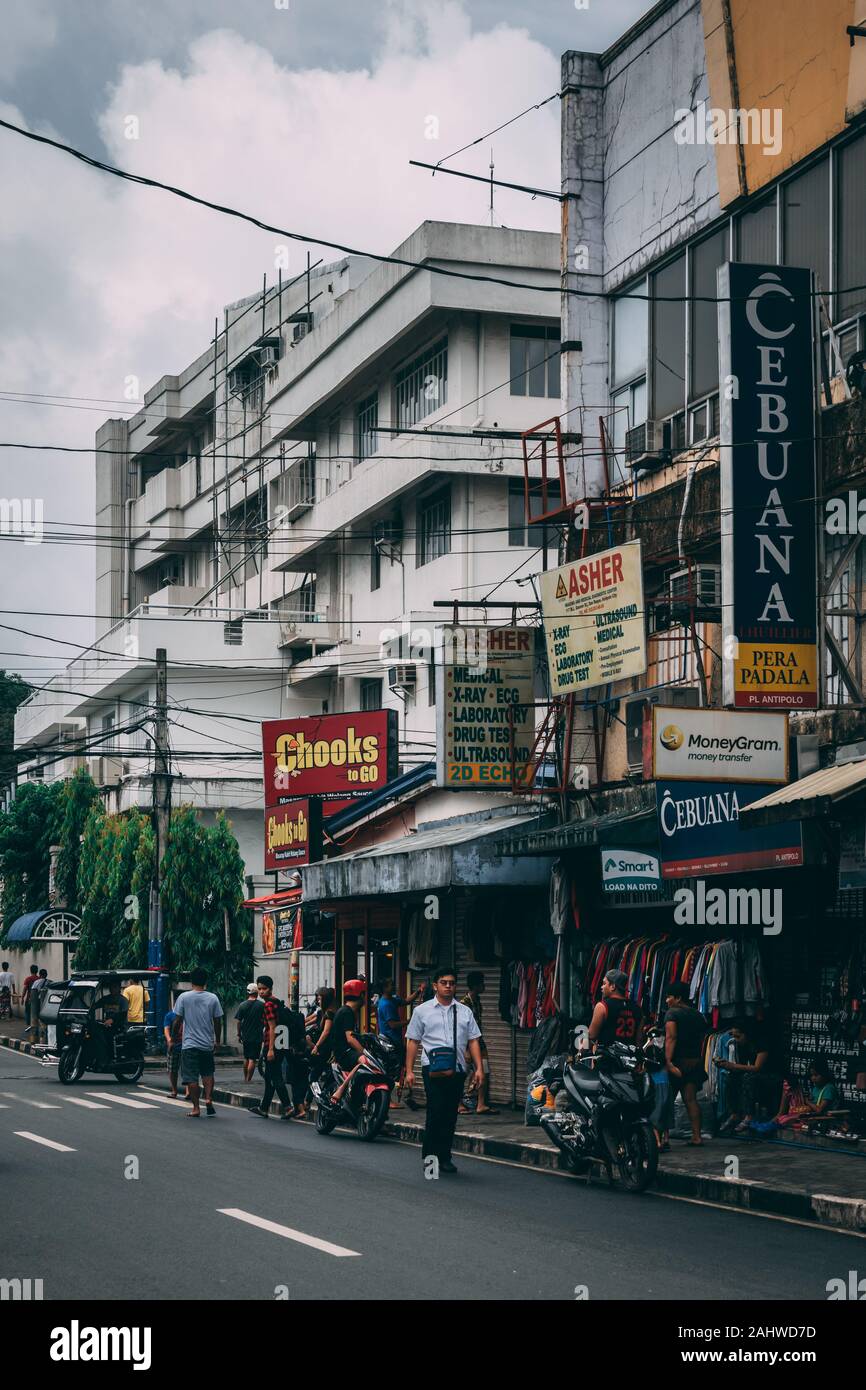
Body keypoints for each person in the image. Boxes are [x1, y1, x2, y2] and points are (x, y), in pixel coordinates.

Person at [405, 966, 484, 1176]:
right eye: (444, 983)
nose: (448, 987)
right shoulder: (422, 1011)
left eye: (452, 983)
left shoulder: (464, 1011)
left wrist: (479, 1069)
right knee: (435, 1112)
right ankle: (431, 1160)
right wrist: (409, 1071)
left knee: (450, 1115)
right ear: (435, 986)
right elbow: (413, 1041)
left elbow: (474, 1041)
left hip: (458, 1069)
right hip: (432, 1069)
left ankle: (445, 1157)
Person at [173, 968, 223, 1118]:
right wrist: (217, 1040)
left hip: (189, 1044)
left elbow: (177, 1020)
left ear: (191, 981)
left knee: (191, 1077)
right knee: (208, 1073)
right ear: (205, 981)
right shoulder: (213, 998)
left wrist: (175, 1036)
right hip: (206, 1044)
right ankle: (208, 1098)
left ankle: (196, 1108)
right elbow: (217, 1021)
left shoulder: (184, 997)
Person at [664, 982, 709, 1146]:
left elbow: (671, 1038)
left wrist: (668, 1062)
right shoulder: (698, 1015)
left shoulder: (672, 1014)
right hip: (694, 1061)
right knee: (690, 1100)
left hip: (677, 1062)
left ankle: (664, 1139)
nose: (667, 1000)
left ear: (678, 998)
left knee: (666, 1101)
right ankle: (697, 1136)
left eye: (669, 997)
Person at [716, 1020, 771, 1134]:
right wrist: (727, 1066)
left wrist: (733, 1065)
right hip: (753, 1074)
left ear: (746, 1034)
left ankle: (749, 1116)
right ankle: (734, 1114)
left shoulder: (761, 1044)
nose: (736, 1039)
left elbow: (757, 1067)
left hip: (769, 1075)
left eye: (738, 1036)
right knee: (730, 1078)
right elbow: (742, 1066)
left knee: (748, 1079)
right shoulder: (742, 1045)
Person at [250, 975, 292, 1121]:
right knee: (269, 1077)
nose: (261, 992)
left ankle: (288, 1107)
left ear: (270, 988)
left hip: (273, 1045)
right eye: (259, 989)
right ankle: (264, 1108)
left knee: (275, 1077)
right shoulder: (276, 1002)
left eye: (264, 989)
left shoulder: (268, 1005)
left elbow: (272, 1027)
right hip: (281, 1043)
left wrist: (270, 1050)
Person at [376, 977, 422, 1108]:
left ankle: (407, 1093)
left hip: (395, 1040)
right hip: (390, 1042)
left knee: (404, 1067)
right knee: (392, 1071)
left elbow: (406, 1001)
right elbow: (393, 1025)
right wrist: (410, 1021)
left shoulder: (392, 999)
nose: (394, 986)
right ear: (384, 988)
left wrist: (418, 991)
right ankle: (388, 1100)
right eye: (391, 985)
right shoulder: (385, 1004)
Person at [459, 972, 498, 1115]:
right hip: (467, 1044)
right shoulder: (464, 1004)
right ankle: (458, 1104)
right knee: (461, 1074)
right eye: (482, 983)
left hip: (479, 1042)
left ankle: (480, 1104)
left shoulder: (477, 1001)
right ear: (476, 985)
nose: (484, 986)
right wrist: (466, 1050)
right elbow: (462, 1029)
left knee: (484, 1071)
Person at [328, 979, 368, 1105]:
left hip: (341, 1052)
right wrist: (364, 1052)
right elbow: (350, 1038)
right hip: (345, 1052)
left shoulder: (345, 1010)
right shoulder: (347, 1012)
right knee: (365, 1061)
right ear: (361, 995)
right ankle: (341, 1089)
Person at [589, 969, 643, 1048]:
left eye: (604, 983)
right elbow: (639, 1040)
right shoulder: (637, 1008)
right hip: (629, 1058)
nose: (601, 987)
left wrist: (579, 1054)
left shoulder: (602, 1006)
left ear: (613, 986)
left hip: (607, 1058)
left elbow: (591, 1036)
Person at [94, 974, 129, 1065]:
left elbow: (123, 1014)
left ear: (119, 988)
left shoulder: (123, 1000)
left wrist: (112, 1020)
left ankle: (110, 1058)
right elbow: (95, 1006)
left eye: (114, 987)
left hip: (119, 1026)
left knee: (108, 1036)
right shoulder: (106, 999)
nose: (111, 989)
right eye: (111, 987)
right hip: (107, 1024)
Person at [235, 983, 264, 1083]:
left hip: (246, 1035)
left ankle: (245, 1078)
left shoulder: (242, 1005)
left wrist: (239, 1034)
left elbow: (238, 1021)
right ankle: (248, 1080)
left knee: (246, 1058)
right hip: (257, 1036)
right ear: (257, 992)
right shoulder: (262, 1005)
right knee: (252, 1059)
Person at [163, 1001, 183, 1098]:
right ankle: (174, 1090)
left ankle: (188, 1092)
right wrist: (169, 1040)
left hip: (186, 1045)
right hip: (174, 1045)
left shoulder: (187, 1014)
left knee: (186, 1070)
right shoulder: (170, 1015)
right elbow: (166, 1029)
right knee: (172, 1069)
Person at [28, 968, 50, 1044]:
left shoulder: (36, 982)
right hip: (44, 1006)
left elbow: (32, 994)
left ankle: (33, 1040)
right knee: (43, 1023)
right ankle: (43, 1041)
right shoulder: (49, 982)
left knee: (34, 1021)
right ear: (46, 975)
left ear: (40, 975)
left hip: (35, 1003)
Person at [21, 964, 40, 1033]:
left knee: (27, 1012)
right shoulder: (39, 979)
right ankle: (36, 1027)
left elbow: (25, 989)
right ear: (37, 971)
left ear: (30, 970)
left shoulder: (28, 979)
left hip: (29, 999)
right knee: (36, 1013)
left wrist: (22, 998)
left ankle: (29, 1025)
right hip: (38, 1000)